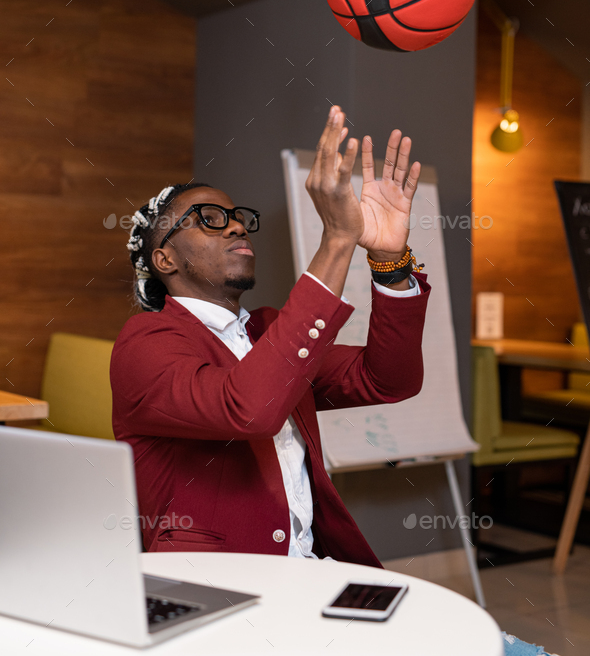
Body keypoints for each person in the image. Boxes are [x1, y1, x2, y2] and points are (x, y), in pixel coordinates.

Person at [111, 104, 430, 567]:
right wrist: (339, 240)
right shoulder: (144, 344)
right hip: (215, 583)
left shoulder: (266, 331)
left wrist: (389, 261)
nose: (237, 224)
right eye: (210, 218)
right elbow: (249, 410)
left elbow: (388, 379)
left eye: (237, 216)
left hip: (309, 569)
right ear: (166, 260)